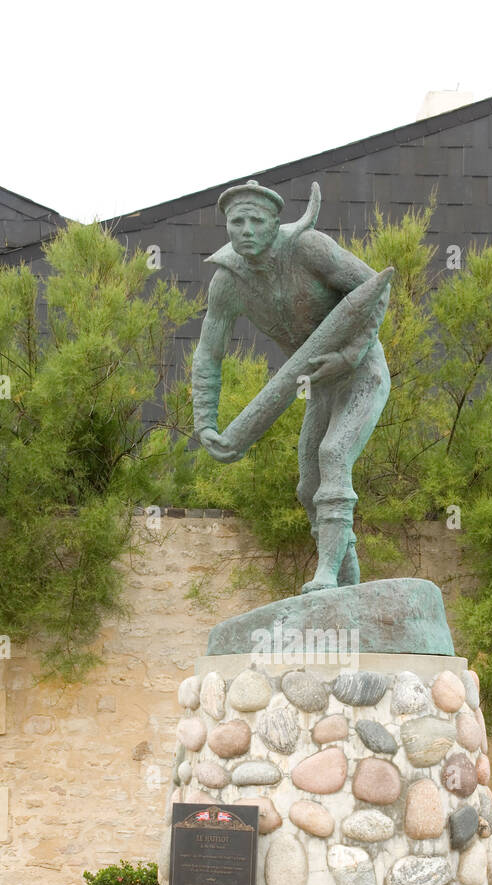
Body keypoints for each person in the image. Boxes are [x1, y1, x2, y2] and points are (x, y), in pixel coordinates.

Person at [192, 180, 391, 591]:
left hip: (361, 371)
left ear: (275, 222)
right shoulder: (227, 282)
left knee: (333, 453)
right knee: (308, 487)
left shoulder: (308, 248)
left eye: (256, 221)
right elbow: (209, 353)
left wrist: (350, 354)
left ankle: (326, 576)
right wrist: (205, 419)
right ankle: (348, 590)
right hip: (318, 386)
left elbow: (376, 287)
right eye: (237, 222)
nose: (246, 230)